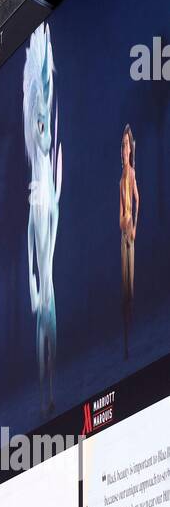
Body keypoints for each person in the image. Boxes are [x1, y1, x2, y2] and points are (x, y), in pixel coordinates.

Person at [120, 124, 140, 359]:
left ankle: (130, 341)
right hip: (122, 234)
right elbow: (121, 207)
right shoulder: (122, 175)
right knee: (124, 291)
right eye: (122, 145)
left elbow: (137, 199)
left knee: (130, 290)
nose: (124, 149)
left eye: (126, 145)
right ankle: (126, 343)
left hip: (129, 235)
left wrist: (134, 225)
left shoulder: (131, 173)